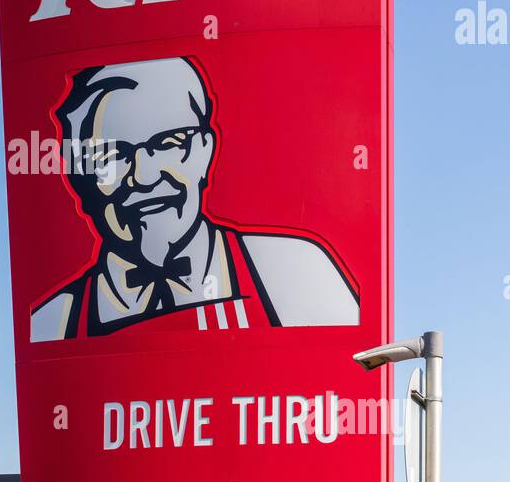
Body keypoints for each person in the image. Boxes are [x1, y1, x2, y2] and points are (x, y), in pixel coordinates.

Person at [31, 57, 359, 342]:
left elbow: (348, 385)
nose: (145, 176)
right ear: (78, 178)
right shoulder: (54, 323)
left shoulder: (293, 272)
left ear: (205, 150)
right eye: (112, 154)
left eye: (170, 142)